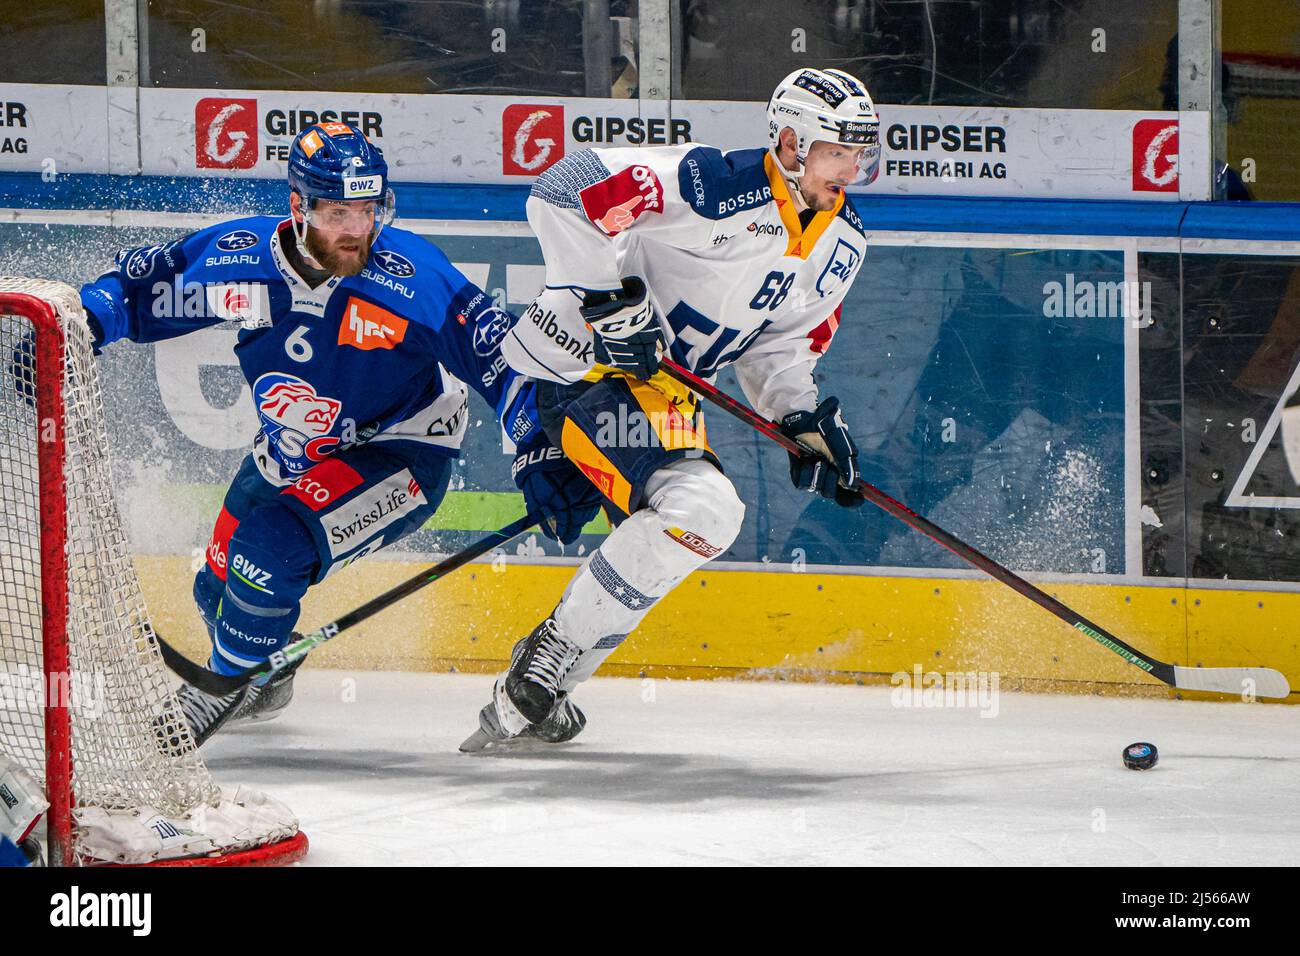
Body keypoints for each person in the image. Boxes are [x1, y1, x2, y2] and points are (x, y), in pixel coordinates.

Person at [472, 67, 879, 748]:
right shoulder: (708, 184)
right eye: (839, 151)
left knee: (696, 522)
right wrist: (610, 300)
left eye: (861, 153)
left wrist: (799, 417)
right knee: (703, 511)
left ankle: (546, 680)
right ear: (789, 142)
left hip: (659, 396)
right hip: (583, 367)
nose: (854, 167)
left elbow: (780, 349)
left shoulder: (843, 243)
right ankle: (547, 663)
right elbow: (566, 188)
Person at [81, 122, 524, 746]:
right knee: (218, 589)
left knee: (267, 552)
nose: (355, 228)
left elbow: (502, 357)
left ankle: (223, 686)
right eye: (338, 211)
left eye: (368, 209)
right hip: (289, 451)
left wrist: (543, 446)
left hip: (398, 451)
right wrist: (75, 335)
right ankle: (265, 667)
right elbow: (133, 292)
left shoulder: (411, 279)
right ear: (298, 206)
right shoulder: (244, 262)